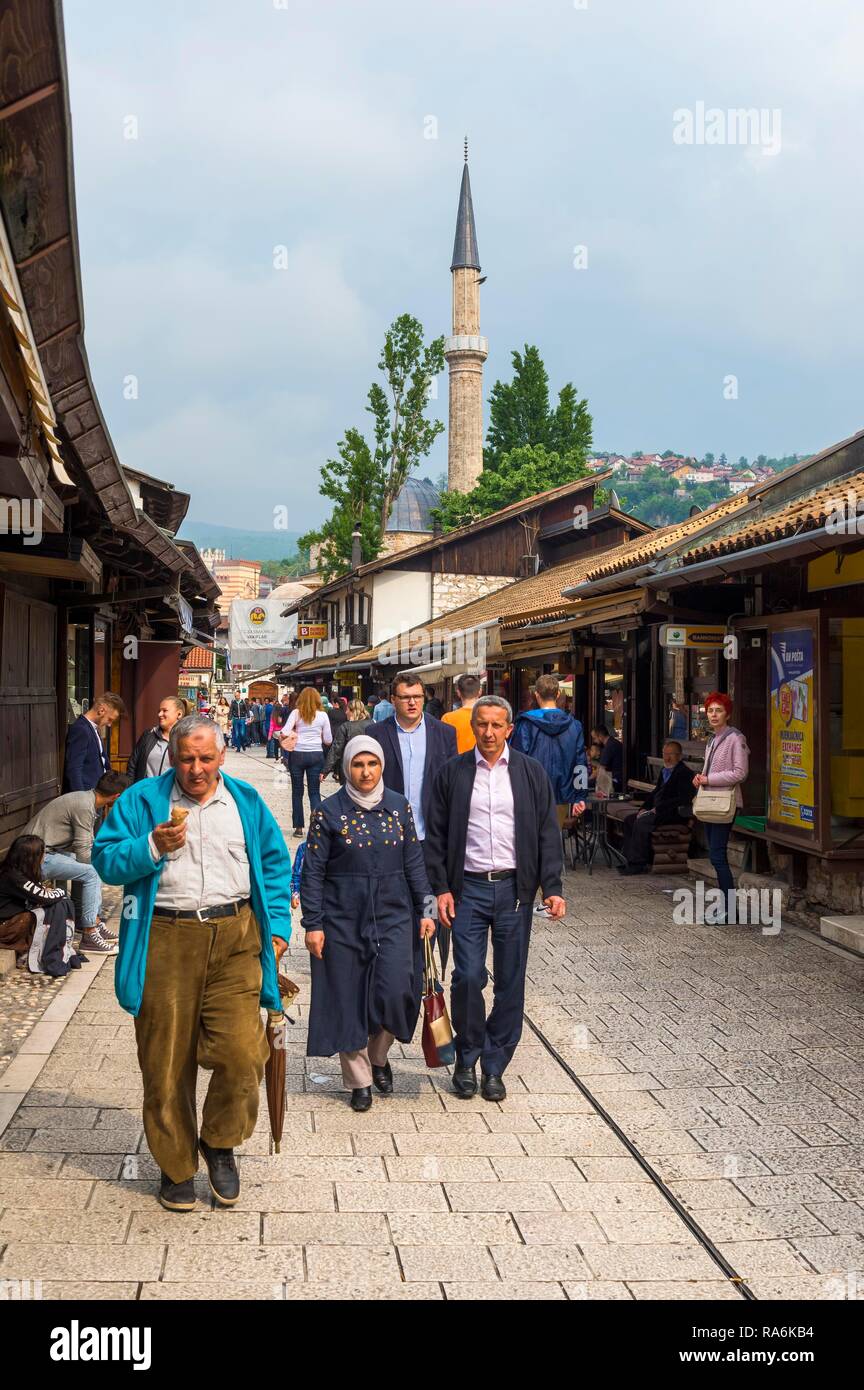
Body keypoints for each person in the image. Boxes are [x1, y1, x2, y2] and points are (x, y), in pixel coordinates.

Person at [92, 713, 292, 1213]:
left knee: (244, 1053)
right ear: (173, 757)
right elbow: (105, 859)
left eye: (206, 758)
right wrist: (151, 846)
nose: (197, 769)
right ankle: (176, 1164)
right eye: (187, 759)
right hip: (165, 936)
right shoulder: (142, 801)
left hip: (236, 935)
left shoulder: (244, 801)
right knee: (164, 1061)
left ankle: (220, 1143)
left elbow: (273, 864)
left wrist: (281, 932)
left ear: (222, 755)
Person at [424, 696, 565, 1101]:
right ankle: (466, 1058)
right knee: (467, 976)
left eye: (496, 725)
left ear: (509, 729)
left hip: (513, 892)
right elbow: (435, 837)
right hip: (465, 889)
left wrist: (551, 888)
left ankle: (495, 1065)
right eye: (481, 724)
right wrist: (440, 888)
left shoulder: (529, 772)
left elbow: (546, 834)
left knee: (509, 981)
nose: (488, 732)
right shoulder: (452, 772)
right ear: (473, 726)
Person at [301, 735, 435, 1112]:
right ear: (347, 767)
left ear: (382, 766)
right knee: (347, 998)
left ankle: (379, 1055)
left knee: (398, 991)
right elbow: (313, 872)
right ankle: (359, 1080)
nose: (365, 771)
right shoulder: (328, 812)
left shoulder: (399, 807)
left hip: (394, 914)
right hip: (342, 916)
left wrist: (426, 911)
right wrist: (313, 923)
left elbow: (415, 865)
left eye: (372, 764)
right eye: (357, 764)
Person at [24, 771, 131, 955]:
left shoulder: (86, 799)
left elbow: (84, 847)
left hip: (44, 853)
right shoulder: (84, 807)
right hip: (35, 859)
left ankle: (91, 921)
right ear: (117, 797)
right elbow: (83, 852)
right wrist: (106, 866)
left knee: (84, 866)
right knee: (91, 871)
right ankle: (89, 934)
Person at [366, 671, 458, 861]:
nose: (412, 702)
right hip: (387, 832)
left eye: (417, 697)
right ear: (393, 700)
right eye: (405, 697)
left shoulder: (445, 733)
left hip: (431, 834)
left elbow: (451, 782)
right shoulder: (376, 733)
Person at [692, 693, 749, 921]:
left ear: (728, 713)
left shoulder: (736, 738)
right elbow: (711, 772)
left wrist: (709, 779)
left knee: (717, 856)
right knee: (714, 856)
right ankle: (726, 905)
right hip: (710, 802)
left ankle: (729, 909)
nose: (714, 715)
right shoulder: (712, 739)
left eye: (719, 710)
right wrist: (700, 779)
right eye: (710, 711)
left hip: (725, 802)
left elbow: (740, 772)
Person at [0, 835, 82, 976]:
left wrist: (49, 893)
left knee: (55, 905)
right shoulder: (13, 876)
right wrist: (60, 891)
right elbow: (45, 898)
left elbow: (40, 893)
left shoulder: (16, 871)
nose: (44, 857)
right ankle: (43, 952)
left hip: (9, 922)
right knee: (52, 908)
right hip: (4, 927)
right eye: (43, 853)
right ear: (32, 857)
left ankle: (36, 948)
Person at [510, 675, 588, 814]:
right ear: (558, 694)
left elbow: (517, 761)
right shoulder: (574, 726)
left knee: (529, 835)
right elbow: (580, 763)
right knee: (555, 834)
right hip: (564, 795)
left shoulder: (526, 724)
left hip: (531, 795)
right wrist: (580, 796)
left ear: (536, 694)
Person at [619, 740, 696, 875]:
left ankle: (638, 863)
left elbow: (683, 799)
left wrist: (658, 808)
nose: (666, 758)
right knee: (629, 820)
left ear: (679, 756)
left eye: (670, 755)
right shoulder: (665, 771)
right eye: (664, 754)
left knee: (641, 823)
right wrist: (644, 808)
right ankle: (630, 859)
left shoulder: (685, 773)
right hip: (658, 811)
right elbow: (656, 792)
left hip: (673, 813)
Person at [281, 685, 333, 837]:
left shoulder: (296, 713)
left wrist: (295, 733)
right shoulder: (323, 716)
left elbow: (284, 732)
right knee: (314, 792)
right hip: (316, 754)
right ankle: (317, 826)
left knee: (297, 792)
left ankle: (298, 827)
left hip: (298, 754)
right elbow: (328, 740)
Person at [63, 693, 125, 793]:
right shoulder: (81, 729)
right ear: (101, 711)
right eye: (110, 719)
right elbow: (74, 769)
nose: (109, 724)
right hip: (86, 797)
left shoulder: (93, 728)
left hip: (96, 795)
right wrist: (81, 800)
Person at [126, 696, 187, 781]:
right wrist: (132, 788)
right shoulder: (148, 735)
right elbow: (133, 764)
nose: (159, 714)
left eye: (164, 711)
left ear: (179, 714)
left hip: (170, 793)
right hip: (145, 792)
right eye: (159, 711)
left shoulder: (187, 739)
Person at [323, 698, 372, 783]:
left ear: (352, 711)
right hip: (369, 765)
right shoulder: (372, 725)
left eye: (347, 710)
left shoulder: (346, 727)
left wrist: (325, 770)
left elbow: (336, 749)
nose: (346, 712)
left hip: (350, 767)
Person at [442, 674, 483, 753]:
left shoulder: (448, 718)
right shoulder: (488, 716)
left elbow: (443, 747)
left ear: (458, 693)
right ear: (480, 692)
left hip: (456, 763)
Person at [591, 724, 623, 792]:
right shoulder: (613, 742)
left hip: (614, 781)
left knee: (585, 784)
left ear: (600, 736)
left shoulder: (609, 746)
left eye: (594, 738)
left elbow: (600, 769)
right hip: (618, 779)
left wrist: (588, 779)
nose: (594, 741)